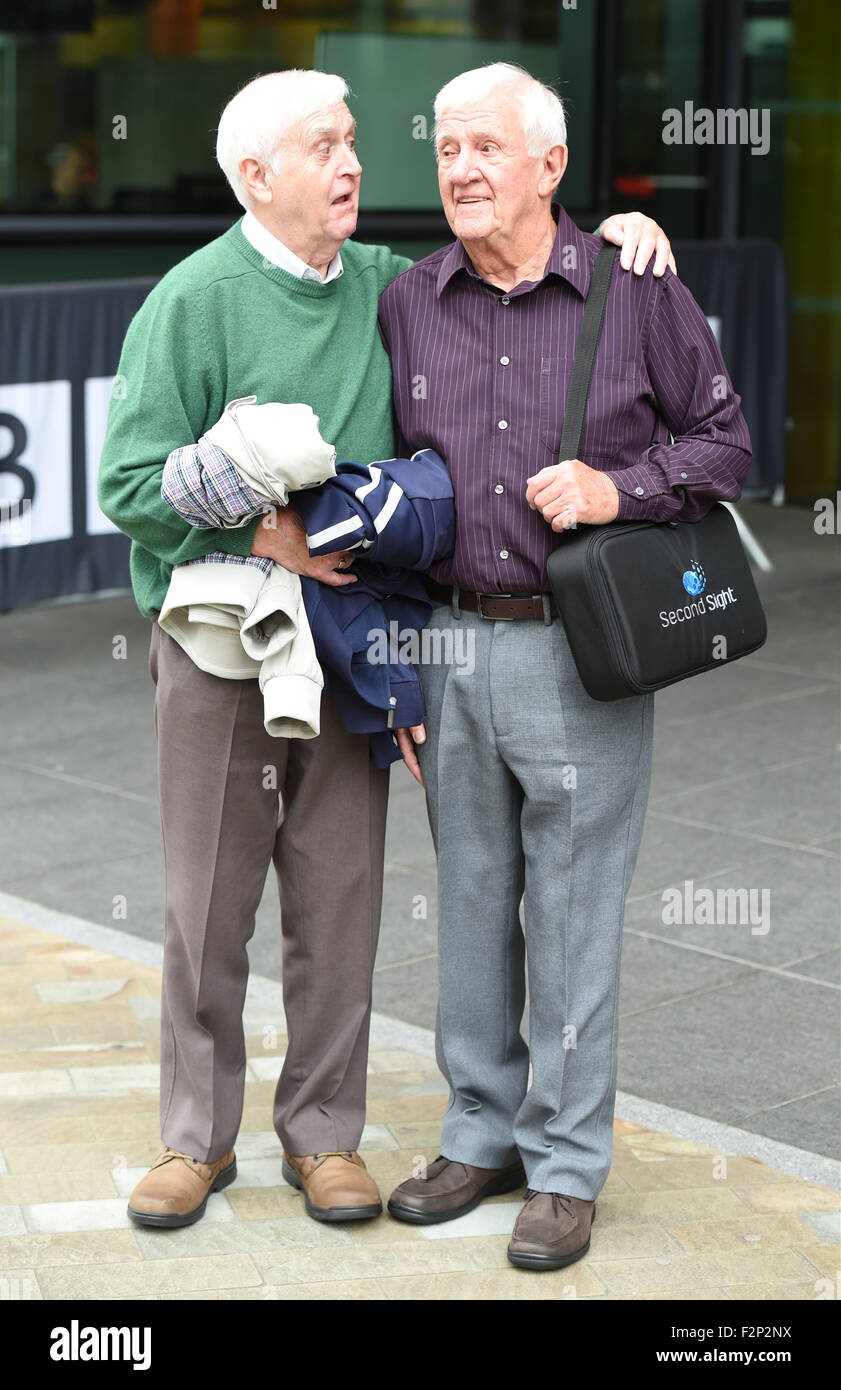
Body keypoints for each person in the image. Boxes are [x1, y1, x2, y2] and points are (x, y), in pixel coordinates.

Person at [97, 66, 676, 1230]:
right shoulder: (193, 297)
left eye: (354, 139)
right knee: (207, 905)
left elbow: (519, 251)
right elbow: (124, 479)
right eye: (323, 148)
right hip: (222, 648)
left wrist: (620, 233)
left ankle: (322, 1137)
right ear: (256, 177)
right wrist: (277, 533)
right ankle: (193, 1138)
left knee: (342, 899)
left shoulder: (386, 286)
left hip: (355, 649)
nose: (355, 164)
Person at [381, 62, 751, 1269]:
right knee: (472, 907)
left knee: (577, 912)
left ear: (549, 165)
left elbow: (726, 443)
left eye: (485, 146)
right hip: (448, 642)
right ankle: (479, 1132)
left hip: (577, 652)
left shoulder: (633, 286)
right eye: (444, 148)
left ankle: (565, 1164)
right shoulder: (409, 301)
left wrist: (617, 489)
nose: (460, 169)